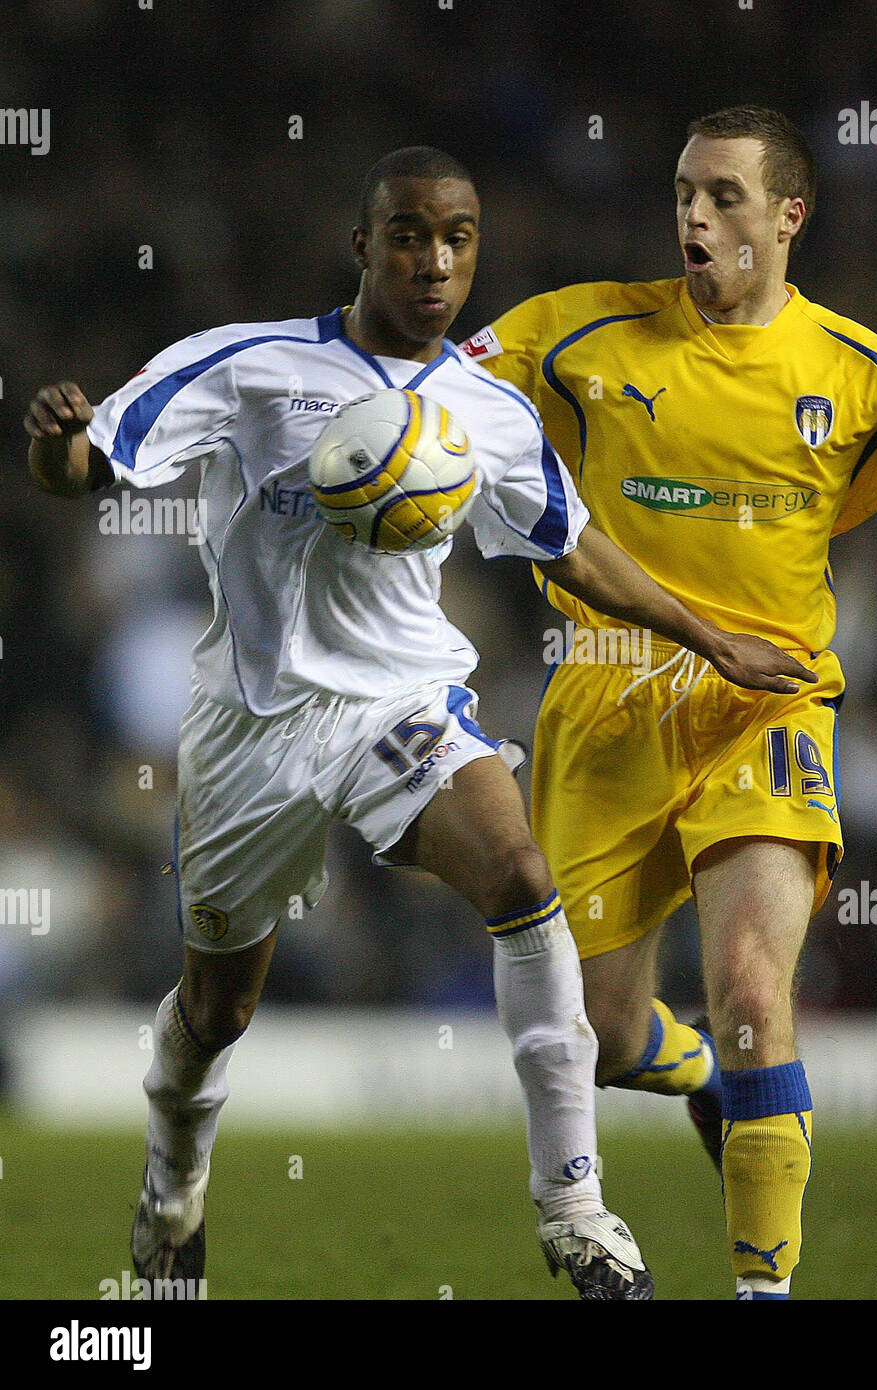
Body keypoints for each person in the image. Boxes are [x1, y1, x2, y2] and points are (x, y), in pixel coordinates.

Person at [24, 145, 805, 1302]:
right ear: (362, 244)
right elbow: (89, 468)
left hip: (400, 704)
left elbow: (577, 547)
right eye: (407, 235)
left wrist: (708, 635)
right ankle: (172, 1197)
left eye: (457, 238)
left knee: (523, 879)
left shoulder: (488, 410)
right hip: (250, 728)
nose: (434, 261)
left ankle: (578, 1211)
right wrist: (54, 438)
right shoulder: (250, 366)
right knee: (213, 1008)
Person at [470, 105, 877, 1298]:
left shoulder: (862, 377)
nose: (693, 213)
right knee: (608, 1035)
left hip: (766, 707)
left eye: (724, 194)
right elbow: (427, 388)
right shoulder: (578, 336)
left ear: (789, 215)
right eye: (683, 190)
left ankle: (761, 1290)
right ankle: (688, 1076)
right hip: (606, 705)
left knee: (748, 989)